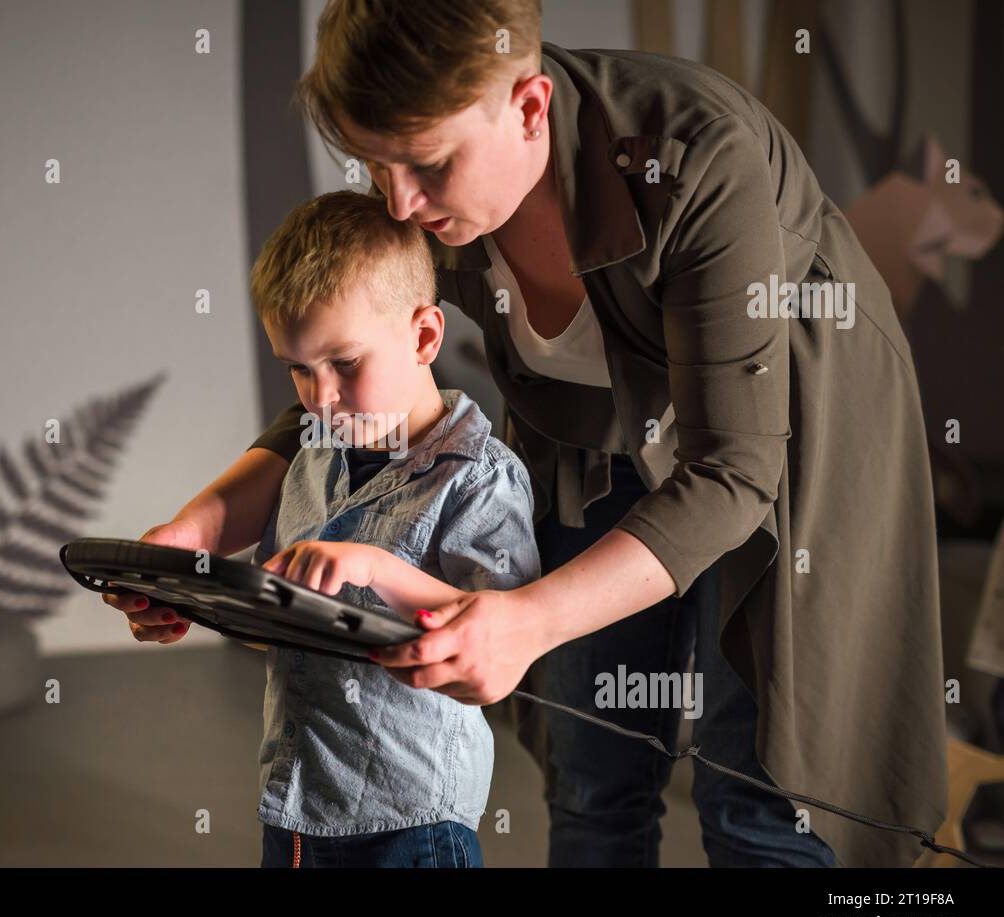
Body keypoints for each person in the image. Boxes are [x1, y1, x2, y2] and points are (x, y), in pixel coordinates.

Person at [107, 0, 946, 867]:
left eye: (427, 165)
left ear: (532, 109)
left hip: (779, 447)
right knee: (591, 779)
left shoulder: (696, 155)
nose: (397, 201)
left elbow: (732, 470)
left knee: (759, 794)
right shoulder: (425, 189)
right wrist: (201, 530)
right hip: (593, 442)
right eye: (373, 163)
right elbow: (355, 375)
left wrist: (526, 620)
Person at [113, 189, 540, 867]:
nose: (321, 396)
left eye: (345, 364)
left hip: (413, 824)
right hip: (298, 804)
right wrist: (188, 589)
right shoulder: (312, 454)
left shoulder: (482, 479)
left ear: (425, 335)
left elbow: (498, 639)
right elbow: (280, 608)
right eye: (299, 371)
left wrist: (371, 567)